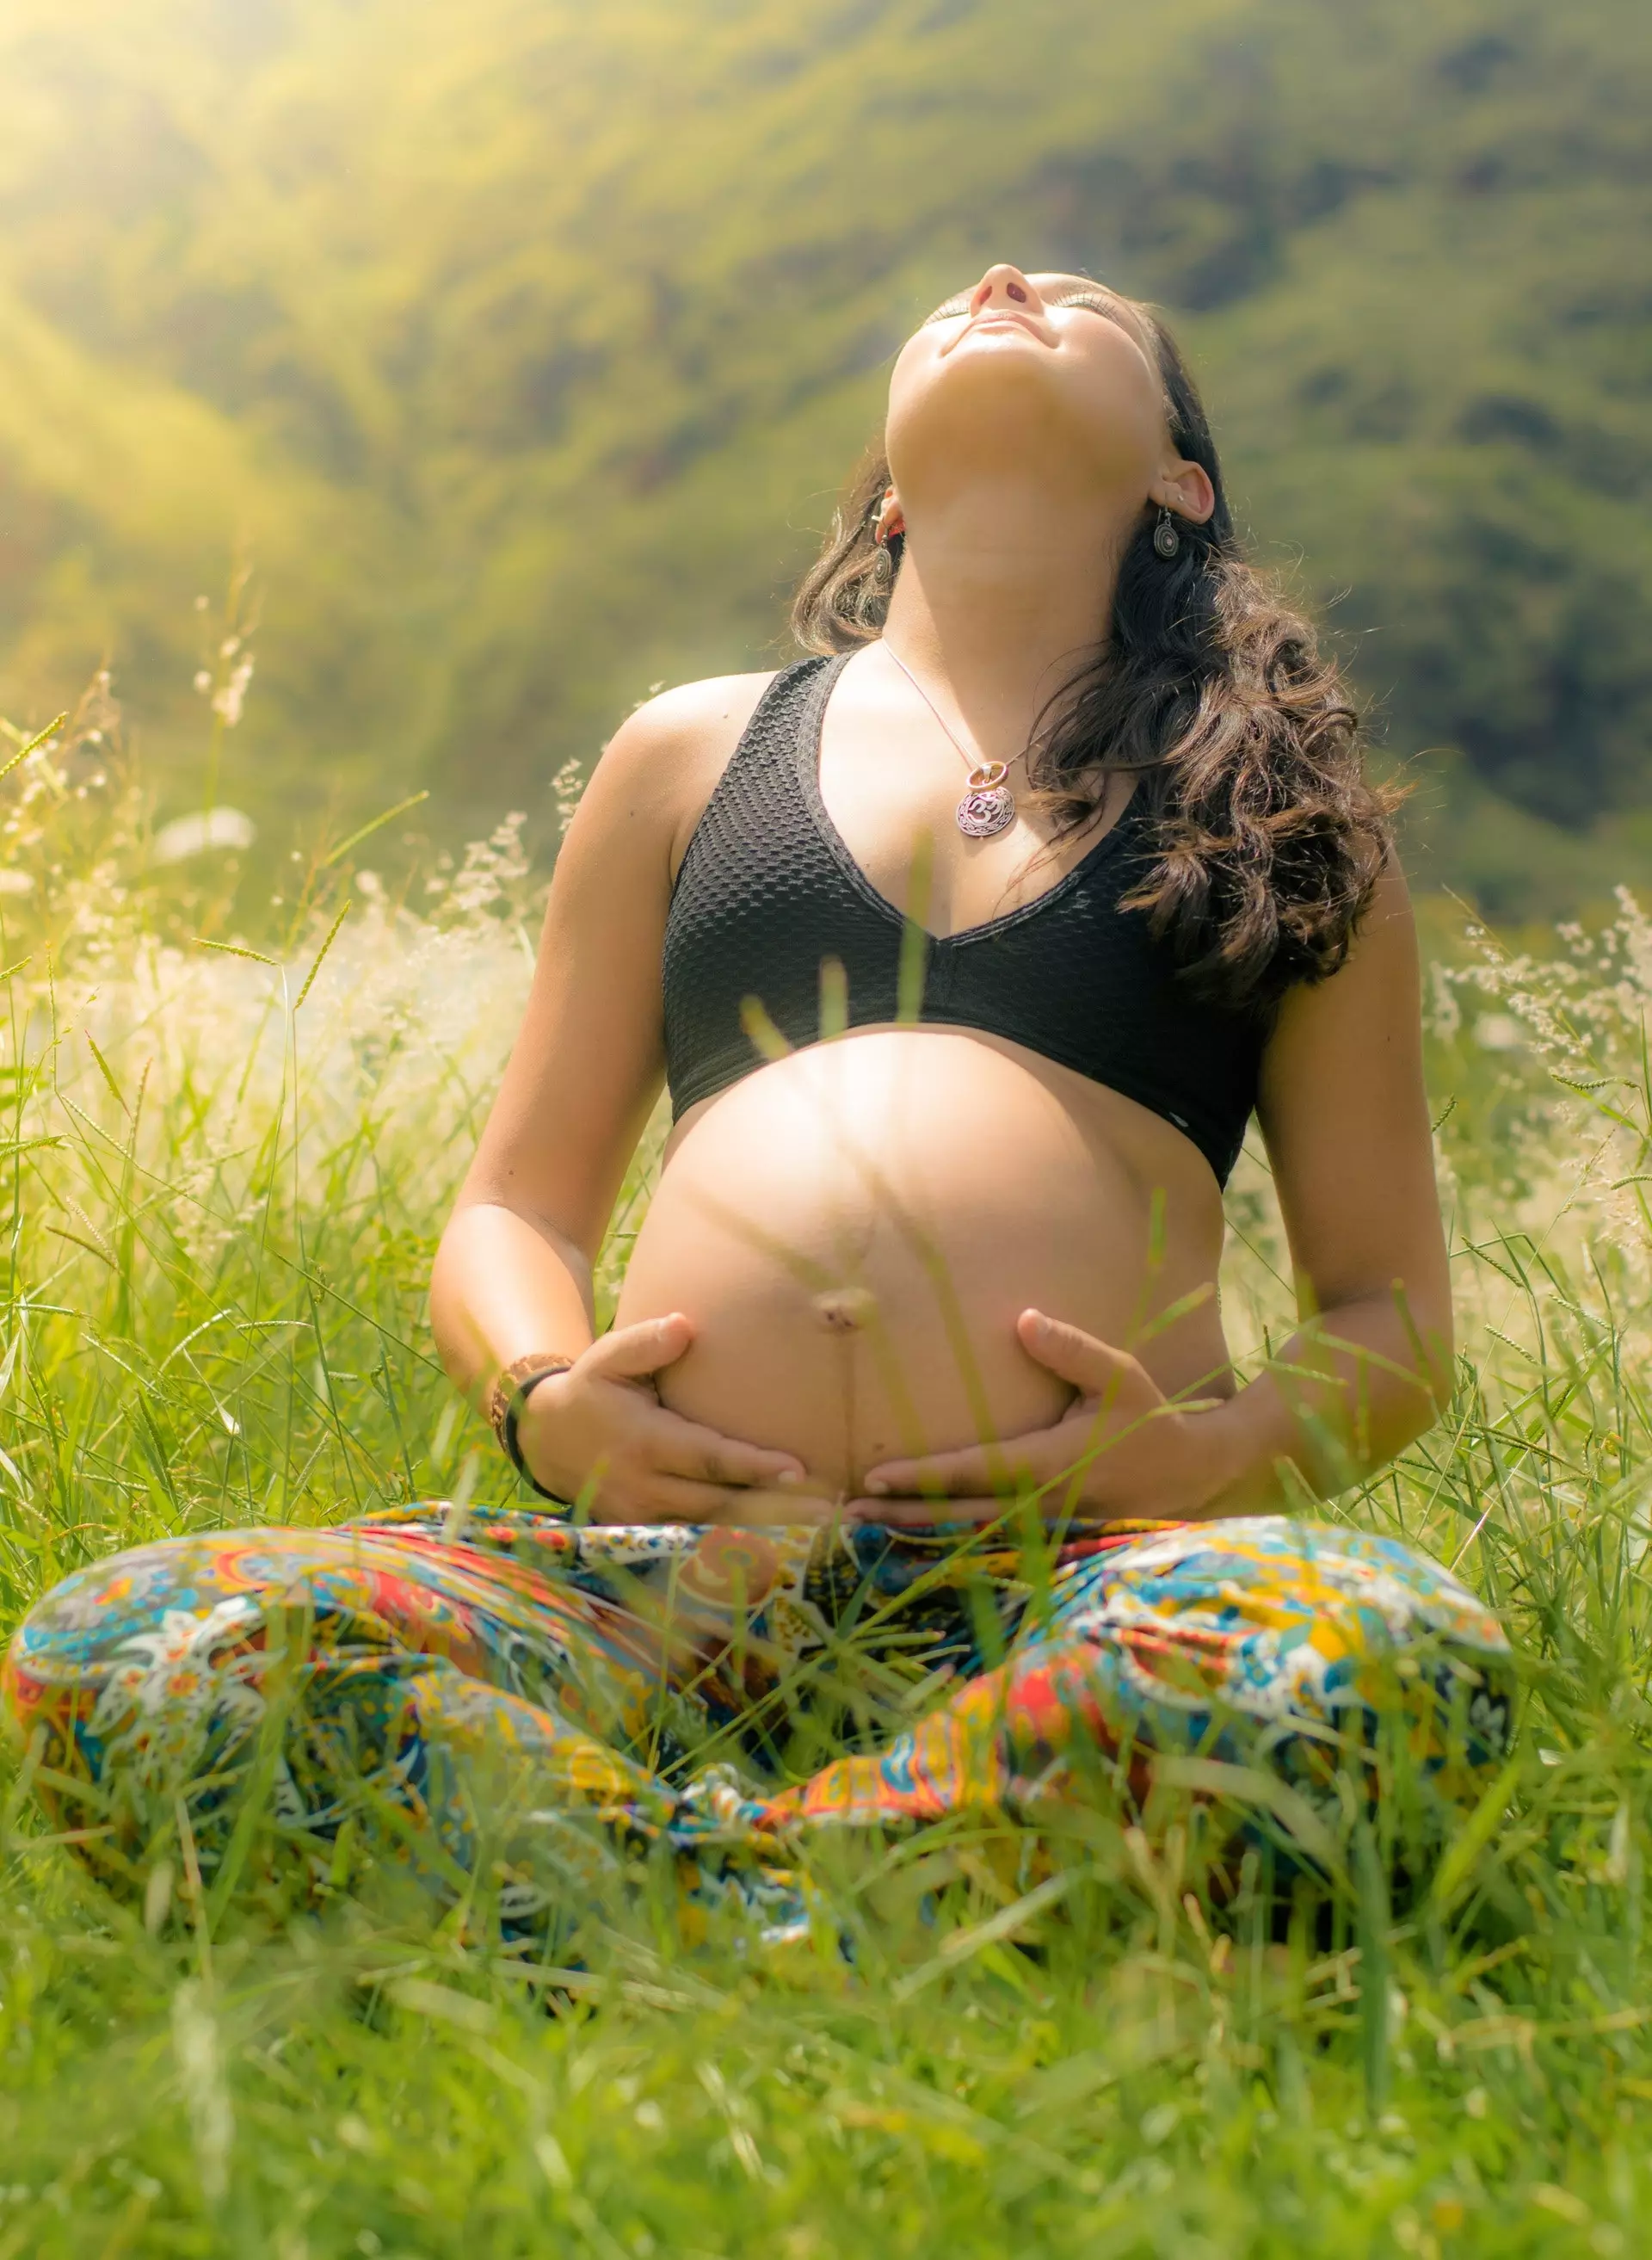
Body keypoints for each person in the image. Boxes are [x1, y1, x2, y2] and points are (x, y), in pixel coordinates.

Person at [4, 264, 1512, 1947]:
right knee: (130, 1638)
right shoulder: (694, 754)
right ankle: (886, 1890)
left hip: (1081, 1579)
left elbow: (1387, 1311)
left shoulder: (1282, 809)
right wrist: (543, 1402)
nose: (1006, 282)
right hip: (664, 1575)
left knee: (1376, 1645)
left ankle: (630, 1895)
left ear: (1182, 480)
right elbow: (516, 1205)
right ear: (881, 488)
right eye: (968, 294)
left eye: (1083, 304)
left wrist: (1211, 1454)